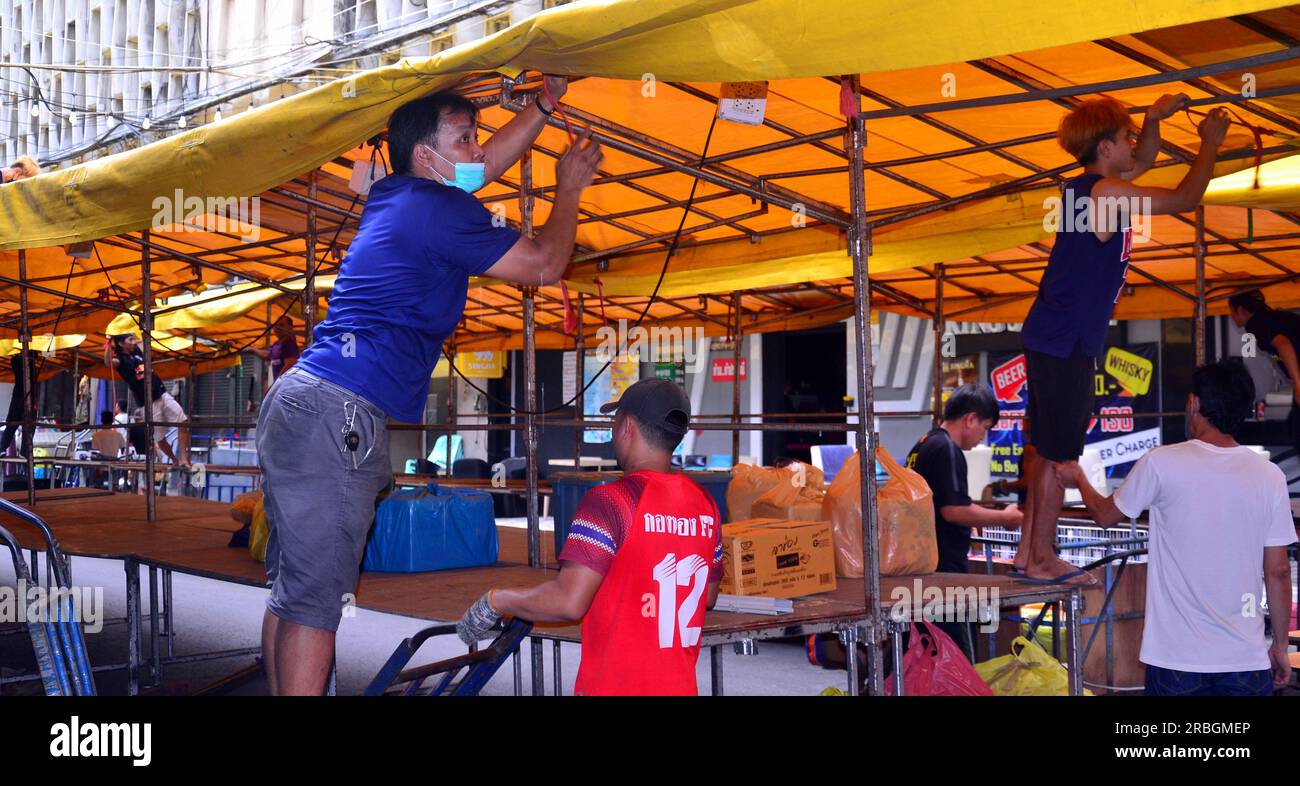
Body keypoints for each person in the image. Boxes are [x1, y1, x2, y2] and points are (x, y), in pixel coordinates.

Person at [257, 77, 603, 695]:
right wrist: (568, 190)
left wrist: (543, 106)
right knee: (316, 603)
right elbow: (546, 264)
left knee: (293, 593)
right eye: (465, 139)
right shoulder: (440, 208)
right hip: (337, 411)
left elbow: (484, 165)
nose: (479, 151)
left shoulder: (397, 195)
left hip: (299, 402)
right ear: (428, 155)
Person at [1017, 94, 1231, 585]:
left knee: (1046, 450)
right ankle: (1041, 558)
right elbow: (1184, 199)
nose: (1134, 147)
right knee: (1057, 455)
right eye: (1127, 137)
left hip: (1058, 335)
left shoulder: (1092, 189)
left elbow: (1143, 162)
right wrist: (1210, 146)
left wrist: (1153, 120)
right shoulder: (1107, 196)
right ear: (1106, 145)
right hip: (1064, 338)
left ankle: (1029, 554)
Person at [456, 378, 721, 695]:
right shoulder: (706, 506)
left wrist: (498, 600)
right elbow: (707, 597)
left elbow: (569, 602)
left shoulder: (613, 501)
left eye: (615, 419)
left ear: (627, 426)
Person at [1060, 361, 1294, 695]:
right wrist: (1280, 646)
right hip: (1245, 660)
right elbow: (1279, 571)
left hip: (1176, 662)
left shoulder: (1162, 462)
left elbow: (1105, 516)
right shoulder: (1269, 476)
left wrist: (1079, 478)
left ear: (1193, 404)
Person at [905, 384, 1023, 658]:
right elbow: (954, 510)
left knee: (920, 649)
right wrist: (1004, 518)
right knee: (953, 653)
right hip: (942, 571)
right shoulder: (946, 448)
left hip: (921, 566)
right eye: (984, 427)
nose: (982, 437)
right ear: (970, 419)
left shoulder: (923, 443)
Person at [104, 334, 191, 468]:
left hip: (161, 393)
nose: (134, 342)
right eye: (130, 340)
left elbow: (143, 339)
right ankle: (174, 459)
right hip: (146, 402)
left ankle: (184, 459)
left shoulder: (137, 352)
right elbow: (108, 362)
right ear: (121, 344)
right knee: (159, 438)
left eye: (133, 339)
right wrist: (109, 342)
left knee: (183, 421)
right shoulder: (120, 360)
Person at [1229, 289, 1300, 444]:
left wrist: (1298, 384)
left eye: (1232, 312)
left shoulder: (1258, 323)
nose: (1232, 317)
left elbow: (1283, 344)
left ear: (1240, 310)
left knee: (1297, 430)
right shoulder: (1274, 318)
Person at [0, 353, 37, 456]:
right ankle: (3, 448)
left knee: (27, 427)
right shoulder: (21, 362)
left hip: (27, 398)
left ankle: (23, 452)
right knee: (12, 424)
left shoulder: (30, 365)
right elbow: (15, 361)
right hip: (20, 398)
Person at [248, 320, 300, 392]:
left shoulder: (289, 344)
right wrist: (252, 350)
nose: (277, 327)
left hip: (287, 389)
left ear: (290, 328)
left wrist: (274, 386)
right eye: (275, 325)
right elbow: (268, 355)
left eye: (281, 325)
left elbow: (290, 365)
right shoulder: (277, 344)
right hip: (280, 388)